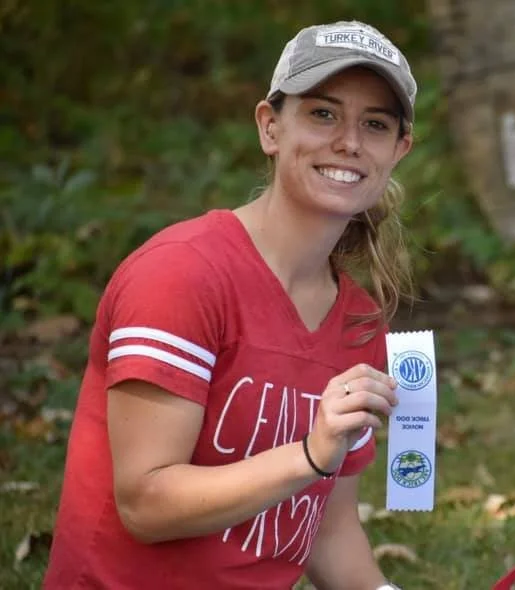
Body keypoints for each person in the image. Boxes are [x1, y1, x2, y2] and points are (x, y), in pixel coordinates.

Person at [44, 20, 417, 590]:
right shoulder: (182, 274)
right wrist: (310, 454)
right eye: (322, 114)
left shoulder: (360, 322)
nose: (349, 142)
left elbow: (329, 531)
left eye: (375, 124)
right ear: (270, 127)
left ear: (398, 150)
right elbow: (146, 503)